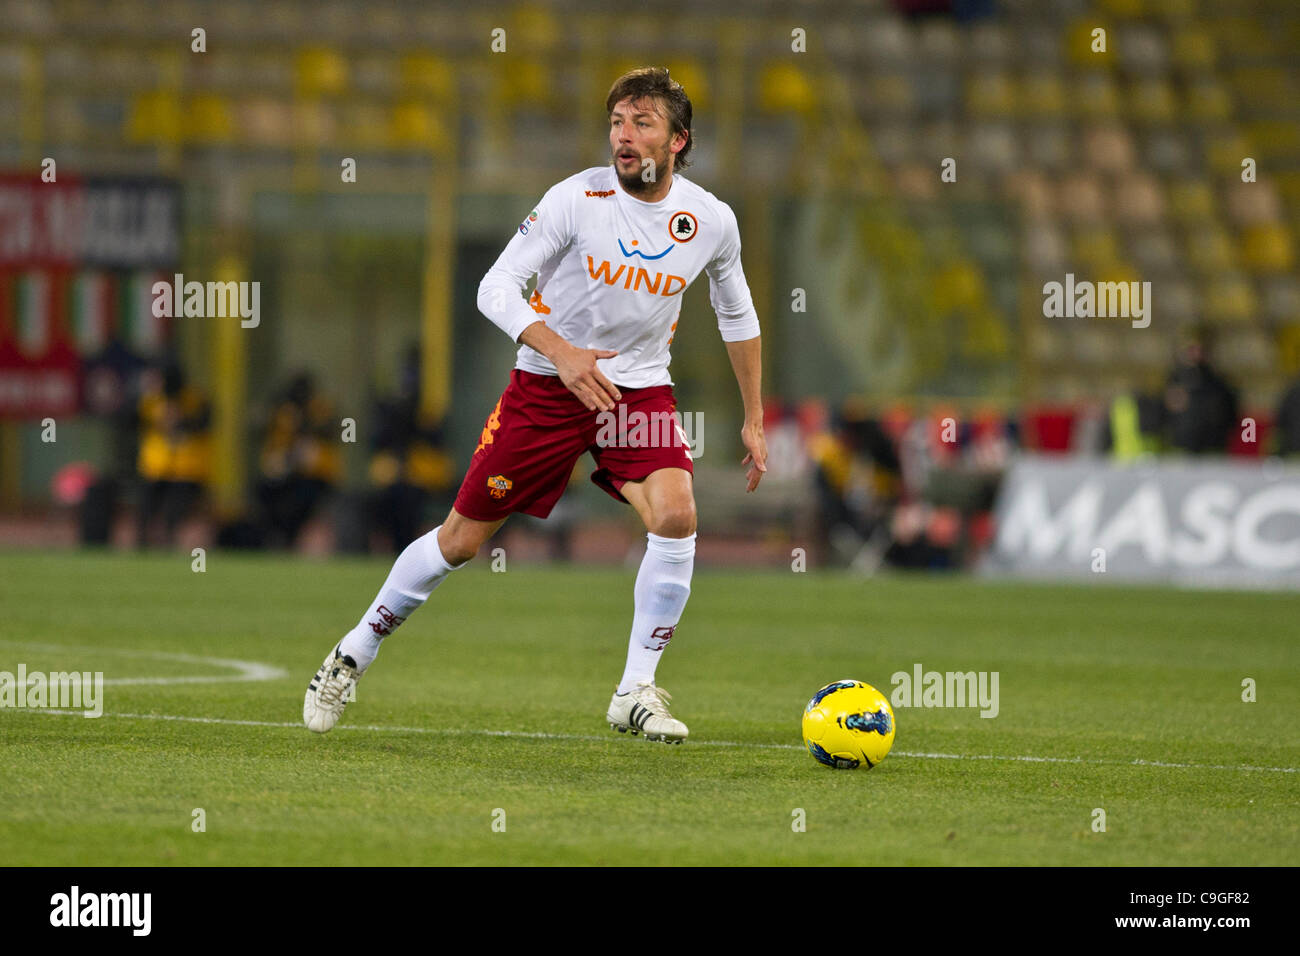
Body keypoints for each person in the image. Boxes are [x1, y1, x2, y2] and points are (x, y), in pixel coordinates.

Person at [304, 67, 767, 742]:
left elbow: (737, 311)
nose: (624, 136)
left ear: (678, 141)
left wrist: (754, 418)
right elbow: (495, 287)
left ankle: (635, 689)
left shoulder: (712, 221)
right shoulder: (575, 200)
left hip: (635, 390)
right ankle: (353, 652)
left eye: (642, 124)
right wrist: (563, 352)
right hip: (546, 389)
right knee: (461, 541)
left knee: (675, 514)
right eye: (617, 122)